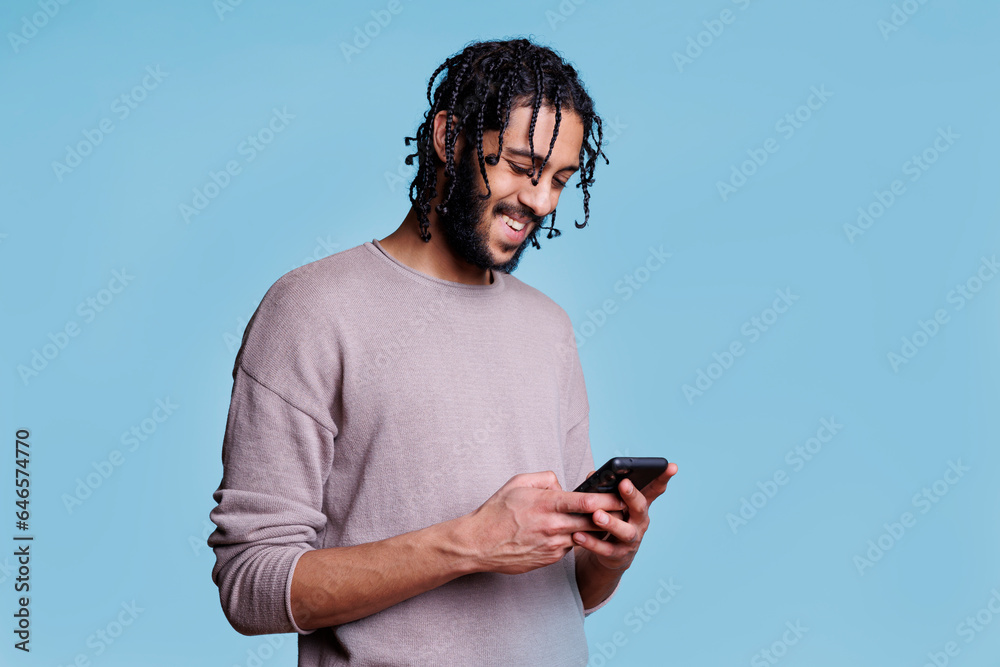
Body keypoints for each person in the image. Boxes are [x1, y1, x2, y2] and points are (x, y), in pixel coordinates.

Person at [208, 37, 678, 666]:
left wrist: (607, 559)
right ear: (449, 138)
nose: (540, 202)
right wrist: (469, 544)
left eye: (561, 179)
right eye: (519, 165)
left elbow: (563, 594)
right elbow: (250, 585)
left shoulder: (549, 327)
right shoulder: (312, 308)